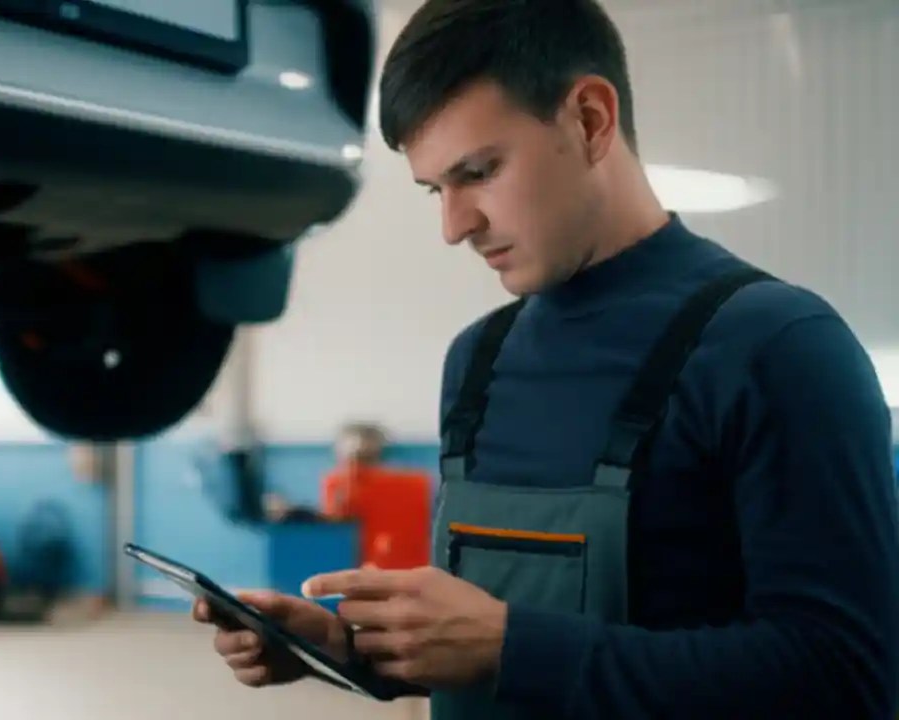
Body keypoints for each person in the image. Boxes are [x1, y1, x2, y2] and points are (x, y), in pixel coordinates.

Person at [192, 0, 899, 717]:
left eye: (479, 171)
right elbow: (485, 640)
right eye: (436, 190)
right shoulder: (478, 362)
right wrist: (352, 651)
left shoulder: (778, 349)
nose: (454, 226)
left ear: (590, 120)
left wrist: (512, 648)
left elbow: (846, 676)